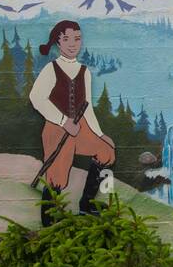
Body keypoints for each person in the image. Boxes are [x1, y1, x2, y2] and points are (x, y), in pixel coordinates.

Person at [27, 20, 115, 211]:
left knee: (106, 151)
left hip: (80, 127)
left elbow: (88, 106)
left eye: (77, 38)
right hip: (56, 127)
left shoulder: (84, 72)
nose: (73, 44)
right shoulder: (52, 69)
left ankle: (87, 204)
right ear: (58, 43)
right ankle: (49, 219)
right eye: (66, 39)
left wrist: (99, 135)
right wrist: (63, 121)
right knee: (57, 175)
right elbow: (36, 98)